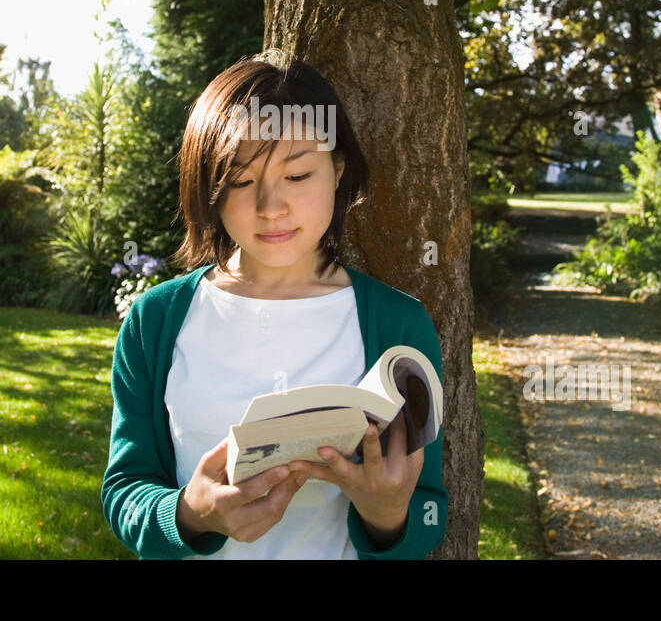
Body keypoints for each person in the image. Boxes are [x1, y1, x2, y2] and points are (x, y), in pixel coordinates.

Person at [100, 51, 448, 559]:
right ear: (211, 191)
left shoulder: (398, 325)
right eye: (241, 181)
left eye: (298, 175)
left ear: (337, 168)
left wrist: (389, 515)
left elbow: (430, 511)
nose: (270, 206)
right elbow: (125, 490)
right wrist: (189, 514)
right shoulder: (155, 321)